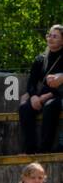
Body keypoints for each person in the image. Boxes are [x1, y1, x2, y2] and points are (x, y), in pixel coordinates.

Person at [20, 25, 63, 154]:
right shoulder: (40, 59)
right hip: (41, 95)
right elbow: (31, 82)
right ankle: (30, 149)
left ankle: (45, 149)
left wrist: (45, 97)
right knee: (25, 108)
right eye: (49, 35)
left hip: (58, 95)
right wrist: (33, 96)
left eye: (55, 36)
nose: (50, 38)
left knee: (50, 107)